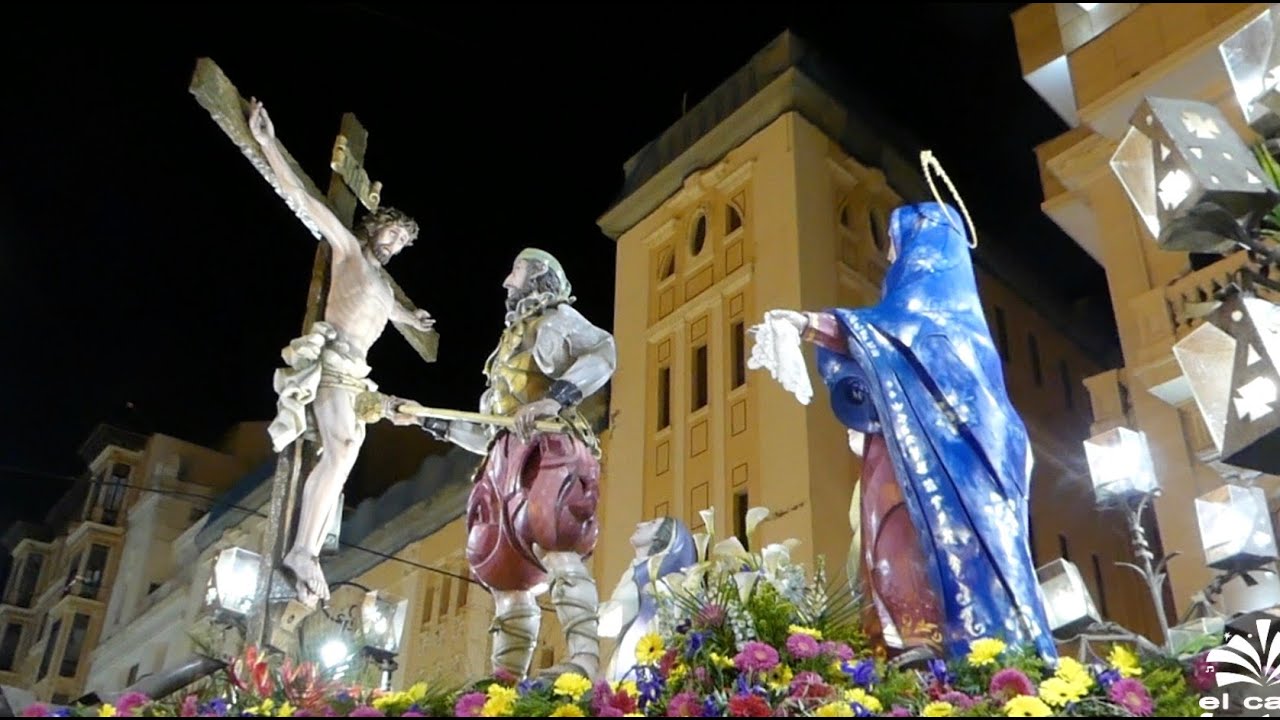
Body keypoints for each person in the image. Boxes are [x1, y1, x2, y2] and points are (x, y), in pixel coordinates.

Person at [753, 201, 1058, 664]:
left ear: (925, 247)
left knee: (919, 539)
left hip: (945, 472)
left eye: (896, 245)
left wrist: (807, 324)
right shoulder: (919, 321)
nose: (892, 258)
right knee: (886, 543)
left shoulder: (943, 323)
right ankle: (914, 642)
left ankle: (957, 648)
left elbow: (891, 333)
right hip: (898, 455)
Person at [248, 100, 436, 608]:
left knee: (346, 454)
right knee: (341, 449)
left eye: (401, 242)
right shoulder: (349, 252)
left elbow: (392, 313)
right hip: (331, 364)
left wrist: (411, 319)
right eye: (391, 234)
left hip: (358, 376)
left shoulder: (385, 285)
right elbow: (304, 201)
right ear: (374, 228)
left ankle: (307, 547)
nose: (394, 245)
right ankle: (302, 551)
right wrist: (267, 143)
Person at [397, 248, 616, 680]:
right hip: (505, 462)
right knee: (505, 571)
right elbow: (486, 432)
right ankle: (506, 681)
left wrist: (560, 396)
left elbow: (604, 352)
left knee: (558, 542)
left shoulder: (558, 320)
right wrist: (425, 417)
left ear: (540, 277)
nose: (505, 282)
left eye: (514, 271)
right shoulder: (506, 353)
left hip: (551, 448)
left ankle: (584, 660)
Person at [597, 517, 697, 682]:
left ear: (661, 537)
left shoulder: (642, 577)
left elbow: (611, 622)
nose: (639, 524)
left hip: (637, 668)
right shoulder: (648, 574)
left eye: (652, 524)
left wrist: (582, 608)